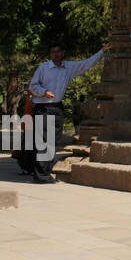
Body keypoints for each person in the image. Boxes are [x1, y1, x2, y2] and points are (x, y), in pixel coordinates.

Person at [24, 42, 109, 183]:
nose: (56, 54)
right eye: (53, 52)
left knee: (53, 141)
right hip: (43, 107)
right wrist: (44, 92)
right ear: (50, 54)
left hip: (57, 107)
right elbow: (32, 86)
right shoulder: (43, 68)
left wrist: (102, 51)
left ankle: (45, 172)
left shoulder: (68, 67)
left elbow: (86, 64)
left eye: (58, 51)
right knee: (44, 141)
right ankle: (41, 175)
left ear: (62, 53)